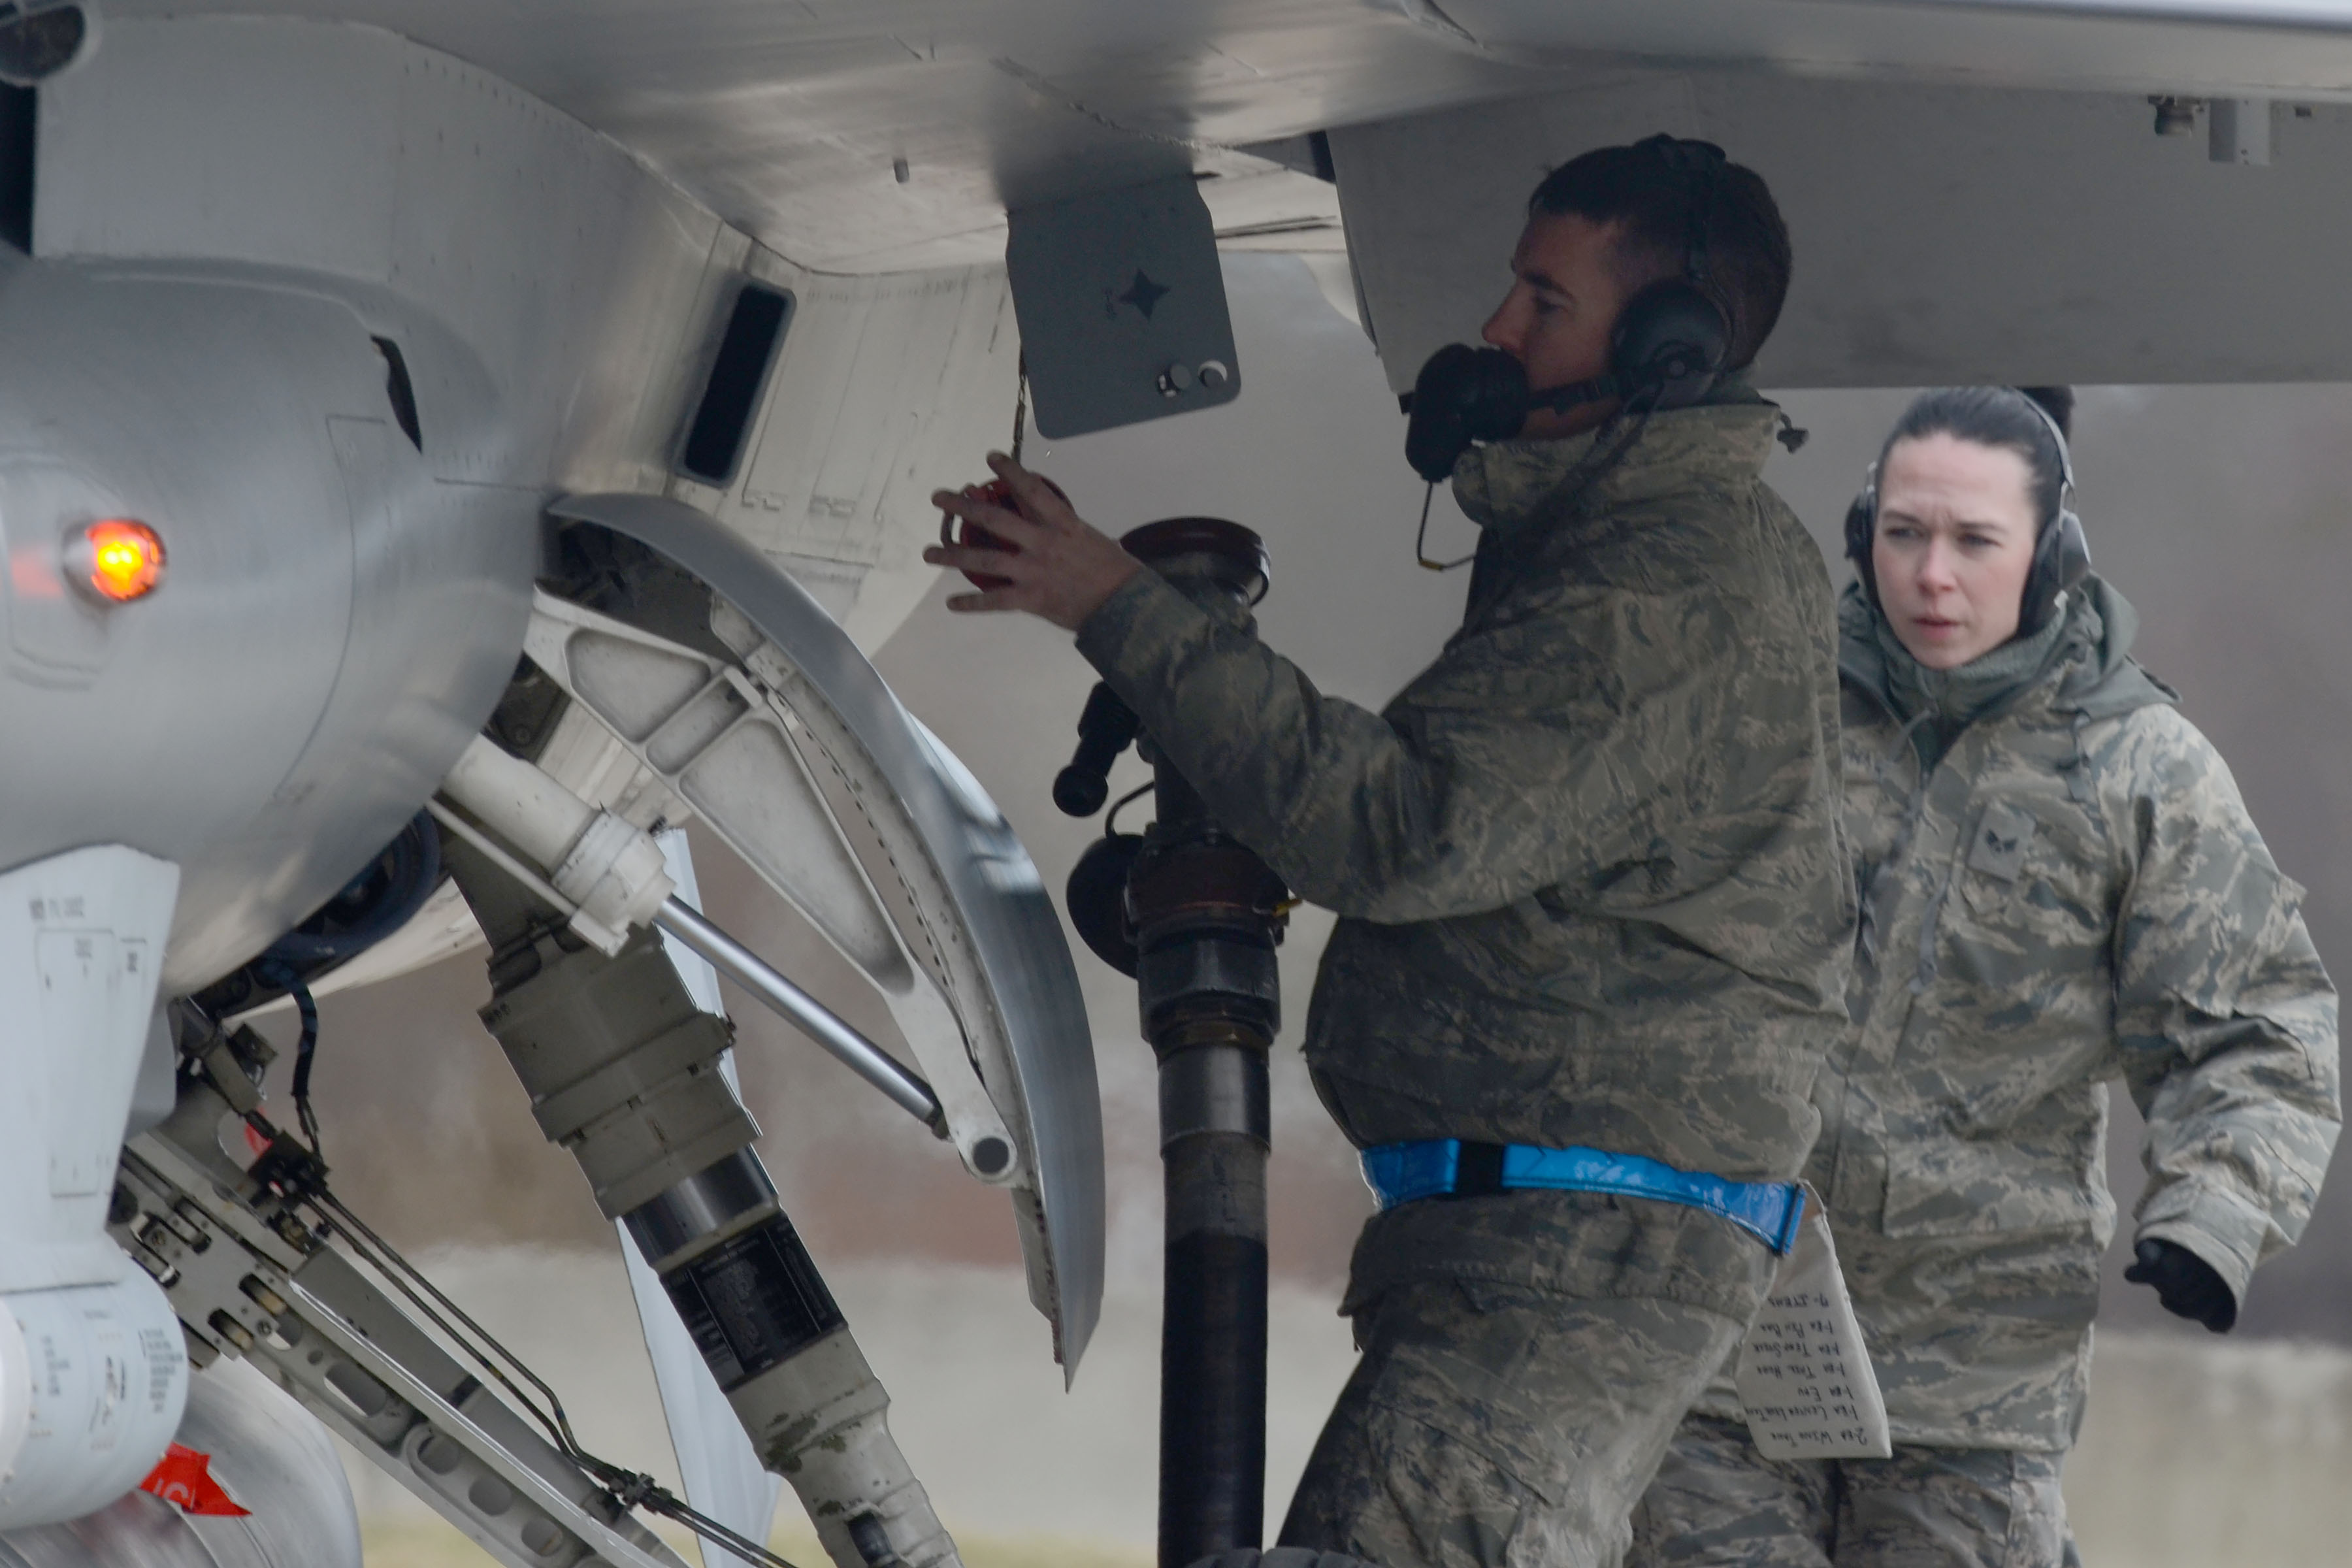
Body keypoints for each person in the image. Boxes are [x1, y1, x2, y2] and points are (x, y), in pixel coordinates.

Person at [929, 138, 1854, 1568]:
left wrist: (1115, 604)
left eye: (1544, 304)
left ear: (1670, 352)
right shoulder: (1650, 544)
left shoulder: (1664, 585)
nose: (1495, 333)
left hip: (1562, 1277)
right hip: (1544, 1260)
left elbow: (1406, 827)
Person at [1628, 385, 2342, 1568]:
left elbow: (2255, 1027)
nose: (1932, 577)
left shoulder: (2140, 772)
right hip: (1727, 1340)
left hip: (1975, 1385)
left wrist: (2215, 1211)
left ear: (2051, 557)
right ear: (1863, 533)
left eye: (1974, 542)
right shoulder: (1766, 710)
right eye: (1905, 535)